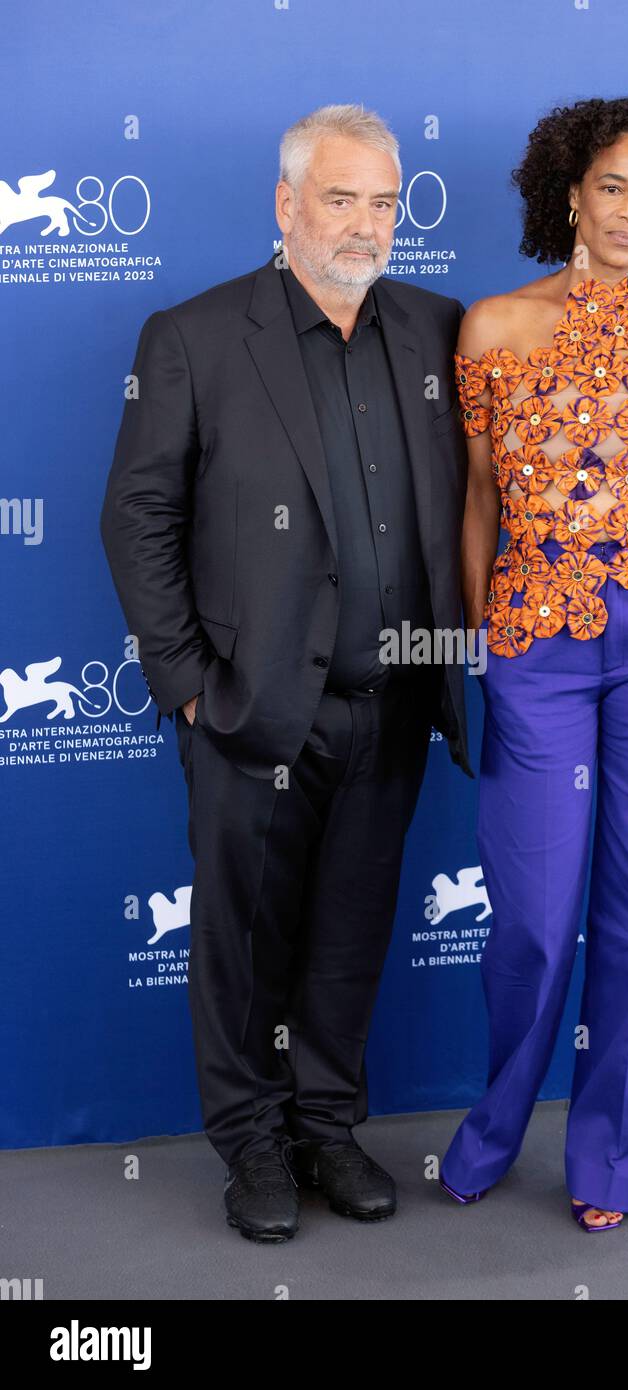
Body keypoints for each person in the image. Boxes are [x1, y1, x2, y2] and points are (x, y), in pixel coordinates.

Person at [99, 104, 475, 1243]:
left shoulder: (437, 330)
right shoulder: (198, 336)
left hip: (395, 701)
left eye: (384, 202)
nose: (365, 224)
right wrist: (191, 683)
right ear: (286, 205)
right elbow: (137, 515)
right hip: (253, 709)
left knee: (351, 930)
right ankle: (253, 1142)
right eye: (341, 197)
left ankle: (325, 1123)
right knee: (246, 941)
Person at [439, 94, 628, 1232]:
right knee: (529, 905)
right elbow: (478, 500)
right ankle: (496, 1126)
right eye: (612, 185)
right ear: (569, 189)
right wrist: (483, 640)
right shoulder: (493, 327)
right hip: (537, 640)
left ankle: (612, 1159)